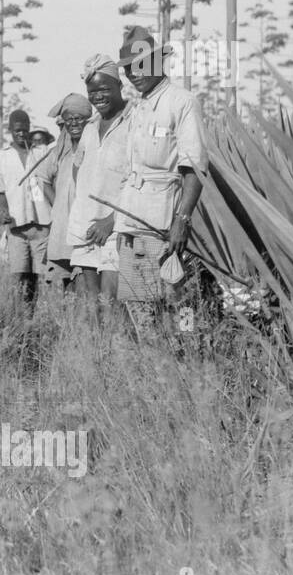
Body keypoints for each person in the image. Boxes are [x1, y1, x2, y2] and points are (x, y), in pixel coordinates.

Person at [109, 26, 208, 342]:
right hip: (133, 223)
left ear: (157, 62)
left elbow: (193, 167)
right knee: (141, 312)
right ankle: (154, 369)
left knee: (180, 302)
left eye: (140, 65)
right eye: (127, 68)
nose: (132, 74)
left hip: (165, 226)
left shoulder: (181, 101)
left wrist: (182, 220)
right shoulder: (137, 106)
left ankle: (191, 354)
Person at [68, 54, 135, 321]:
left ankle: (117, 358)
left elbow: (136, 179)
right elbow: (78, 169)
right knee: (90, 306)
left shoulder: (133, 122)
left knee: (111, 303)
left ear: (119, 86)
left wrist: (111, 220)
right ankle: (97, 360)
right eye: (92, 92)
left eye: (105, 89)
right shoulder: (88, 128)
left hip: (115, 227)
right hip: (85, 227)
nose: (98, 96)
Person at [0, 109, 53, 303]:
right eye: (17, 130)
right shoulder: (2, 156)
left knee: (41, 278)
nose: (21, 133)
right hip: (17, 228)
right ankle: (23, 322)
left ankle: (41, 321)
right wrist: (2, 210)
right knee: (20, 278)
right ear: (10, 130)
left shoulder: (41, 153)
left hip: (41, 225)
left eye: (24, 129)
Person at [36, 92, 94, 289]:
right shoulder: (59, 152)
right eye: (69, 119)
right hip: (62, 226)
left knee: (86, 284)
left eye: (79, 118)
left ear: (88, 120)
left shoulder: (95, 148)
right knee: (63, 286)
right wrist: (57, 204)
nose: (74, 123)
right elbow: (41, 179)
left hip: (86, 227)